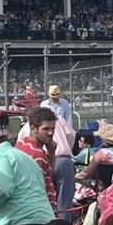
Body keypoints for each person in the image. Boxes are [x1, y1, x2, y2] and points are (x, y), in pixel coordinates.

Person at [43, 84, 78, 214]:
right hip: (62, 157)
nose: (55, 99)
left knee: (46, 197)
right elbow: (70, 133)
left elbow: (70, 124)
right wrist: (67, 147)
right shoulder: (57, 117)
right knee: (64, 201)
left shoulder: (64, 105)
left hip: (48, 157)